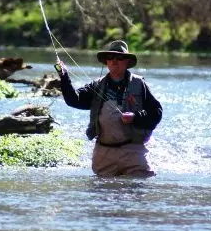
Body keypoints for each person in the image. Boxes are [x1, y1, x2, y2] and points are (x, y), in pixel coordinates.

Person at [56, 40, 162, 177]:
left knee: (137, 191)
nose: (114, 61)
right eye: (110, 57)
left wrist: (135, 117)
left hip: (133, 150)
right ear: (106, 61)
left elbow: (156, 113)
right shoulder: (96, 86)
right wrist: (64, 77)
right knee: (102, 194)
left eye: (119, 58)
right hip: (104, 152)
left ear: (127, 62)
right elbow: (73, 100)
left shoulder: (139, 84)